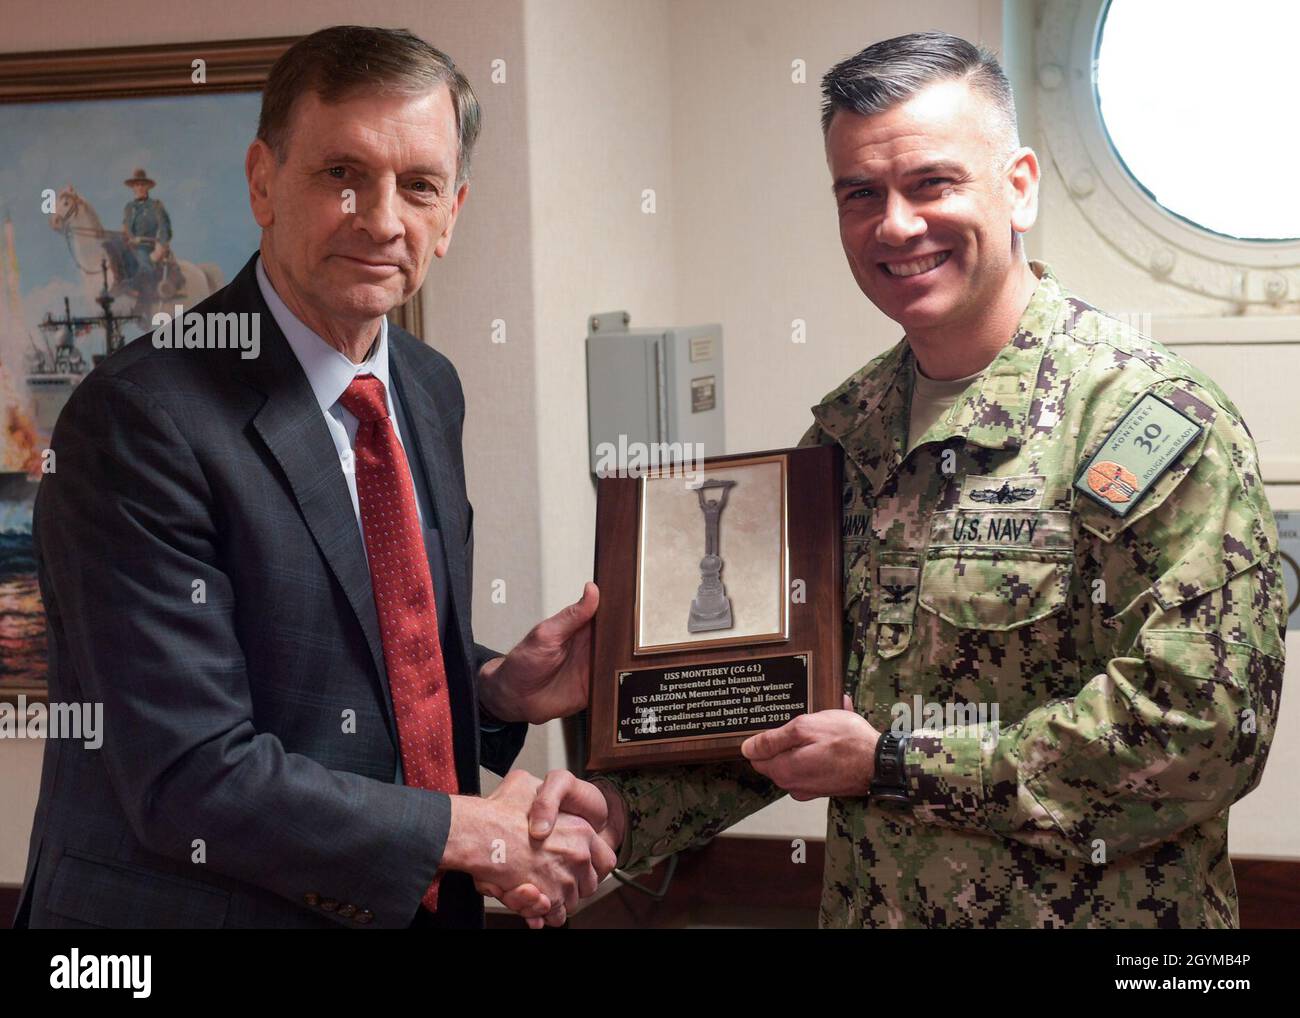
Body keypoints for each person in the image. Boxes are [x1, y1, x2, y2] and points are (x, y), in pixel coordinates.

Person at [555, 31, 1286, 928]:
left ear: (1018, 186)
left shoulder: (1150, 425)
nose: (895, 225)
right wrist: (623, 814)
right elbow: (781, 698)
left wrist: (898, 764)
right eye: (860, 194)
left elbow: (1201, 731)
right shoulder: (845, 433)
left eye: (932, 184)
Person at [15, 25, 613, 931]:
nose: (381, 218)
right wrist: (474, 833)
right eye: (343, 174)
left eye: (418, 186)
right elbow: (191, 776)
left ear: (451, 213)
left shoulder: (427, 385)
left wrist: (492, 690)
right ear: (264, 181)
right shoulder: (138, 417)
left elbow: (352, 667)